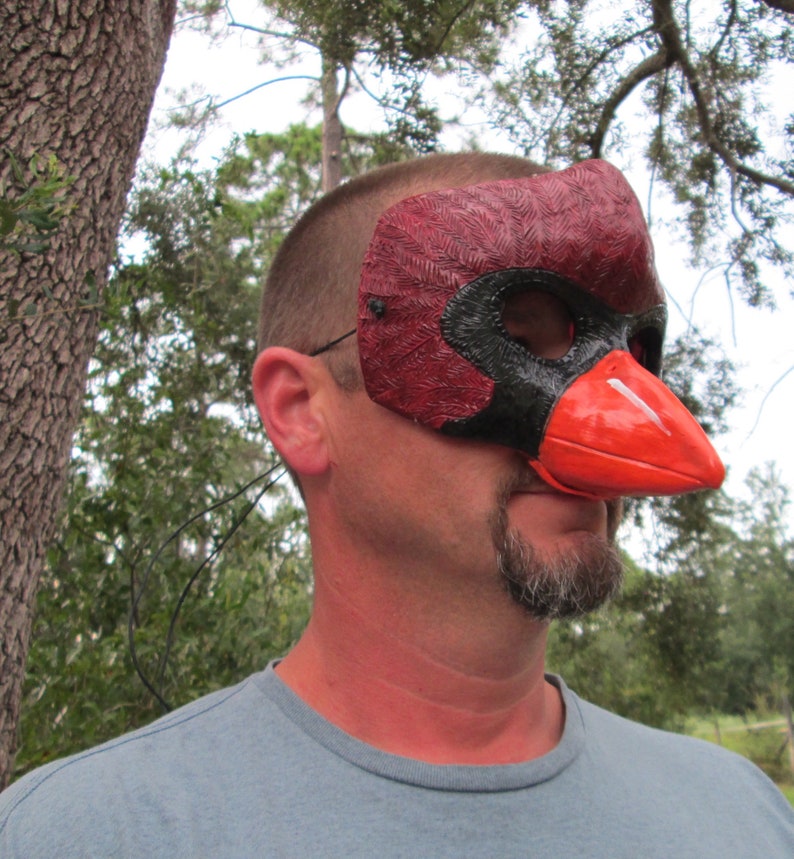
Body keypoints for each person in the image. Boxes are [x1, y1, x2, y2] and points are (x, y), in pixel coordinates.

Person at [1, 153, 792, 857]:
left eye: (631, 354)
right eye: (518, 334)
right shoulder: (81, 834)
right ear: (301, 411)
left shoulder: (748, 815)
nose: (627, 419)